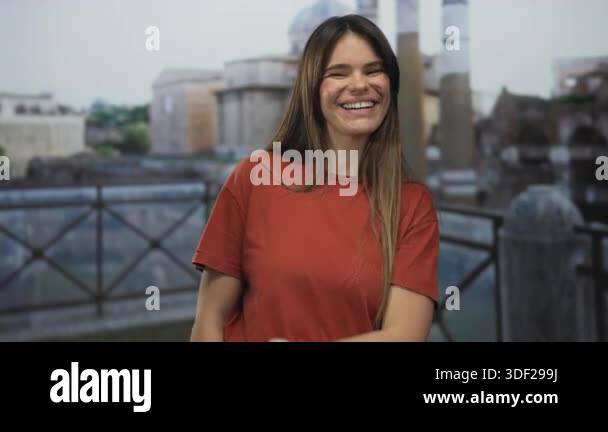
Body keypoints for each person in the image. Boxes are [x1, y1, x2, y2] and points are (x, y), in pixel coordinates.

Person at [190, 14, 439, 342]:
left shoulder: (411, 205)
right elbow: (210, 317)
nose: (360, 84)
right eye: (338, 73)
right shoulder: (254, 178)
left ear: (390, 84)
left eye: (373, 70)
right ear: (312, 88)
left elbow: (406, 335)